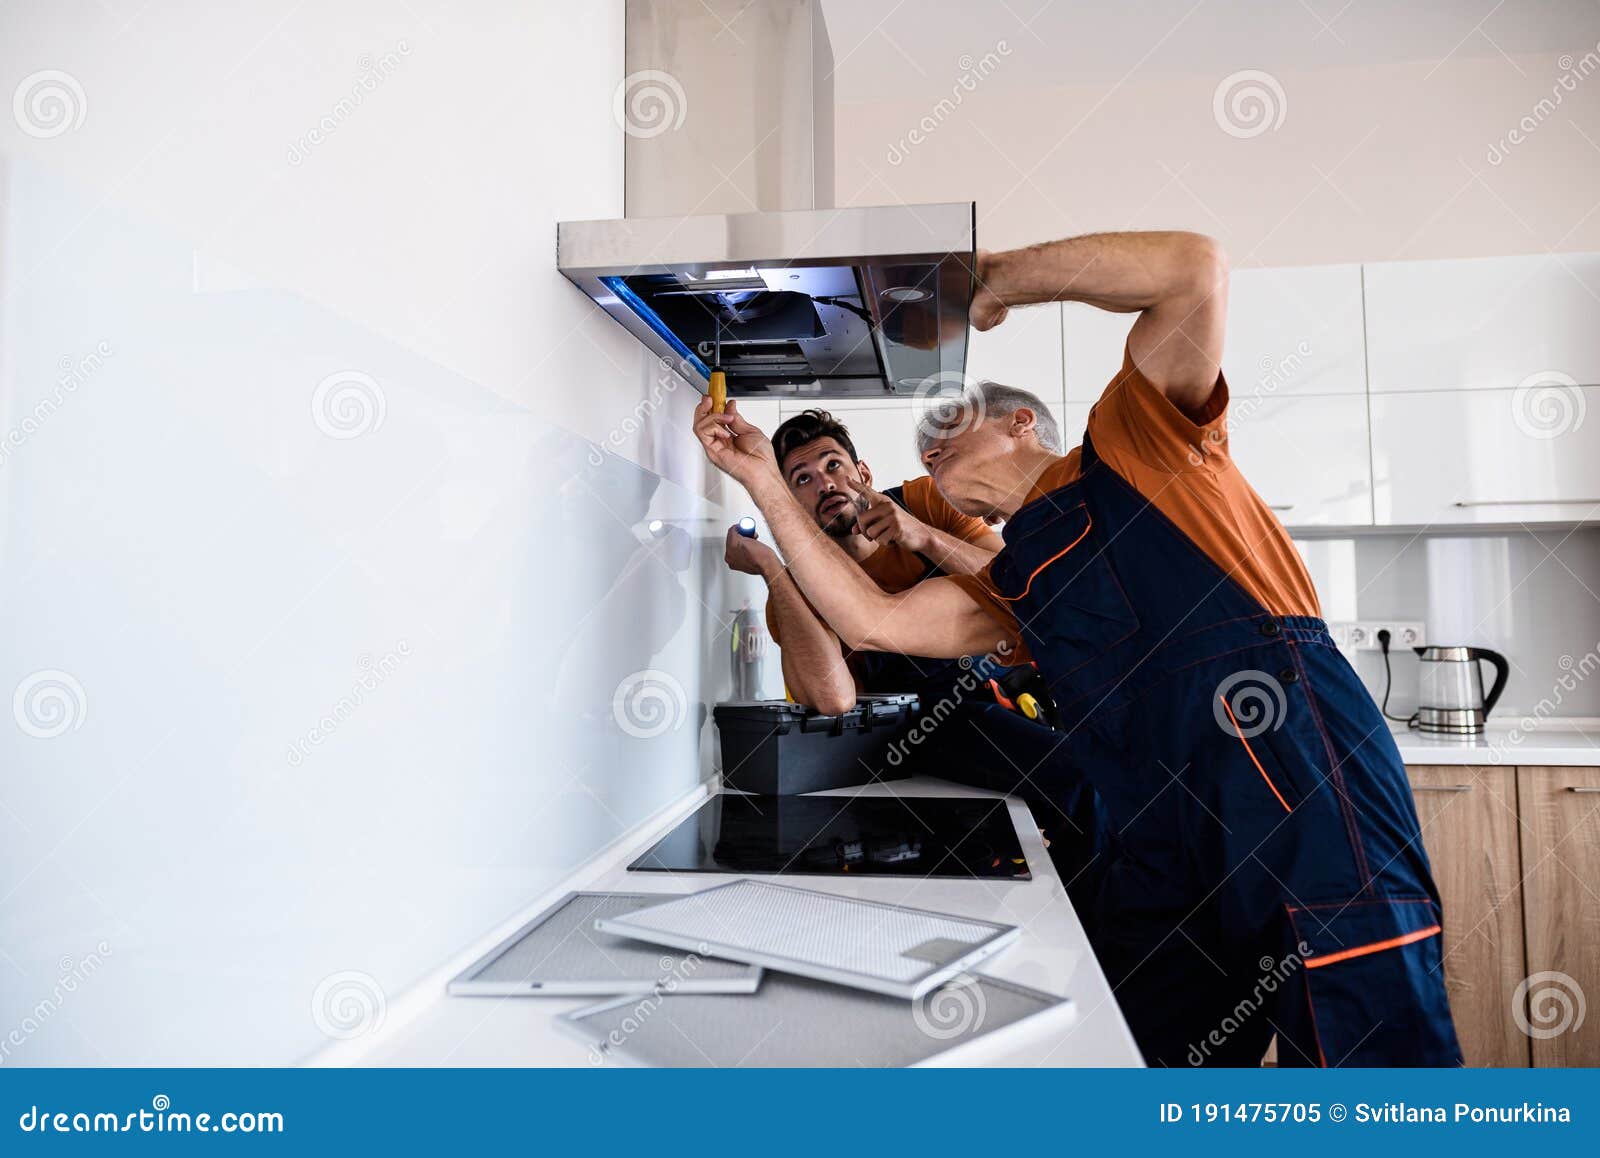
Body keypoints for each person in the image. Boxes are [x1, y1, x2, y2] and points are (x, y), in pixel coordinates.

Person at [694, 229, 1461, 1068]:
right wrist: (764, 481)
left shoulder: (1139, 440)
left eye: (950, 426)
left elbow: (1192, 270)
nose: (929, 446)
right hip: (1155, 831)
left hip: (1289, 778)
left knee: (1370, 1055)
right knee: (1146, 1056)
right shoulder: (1015, 578)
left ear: (1023, 423)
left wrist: (987, 285)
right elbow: (876, 623)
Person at [722, 409, 1107, 903]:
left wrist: (923, 536)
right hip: (933, 728)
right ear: (790, 504)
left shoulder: (925, 502)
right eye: (802, 479)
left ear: (863, 474)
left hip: (1025, 686)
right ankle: (1104, 939)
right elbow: (834, 699)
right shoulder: (800, 586)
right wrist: (776, 570)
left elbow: (1024, 586)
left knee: (1117, 774)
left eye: (834, 465)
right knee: (1081, 779)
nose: (825, 483)